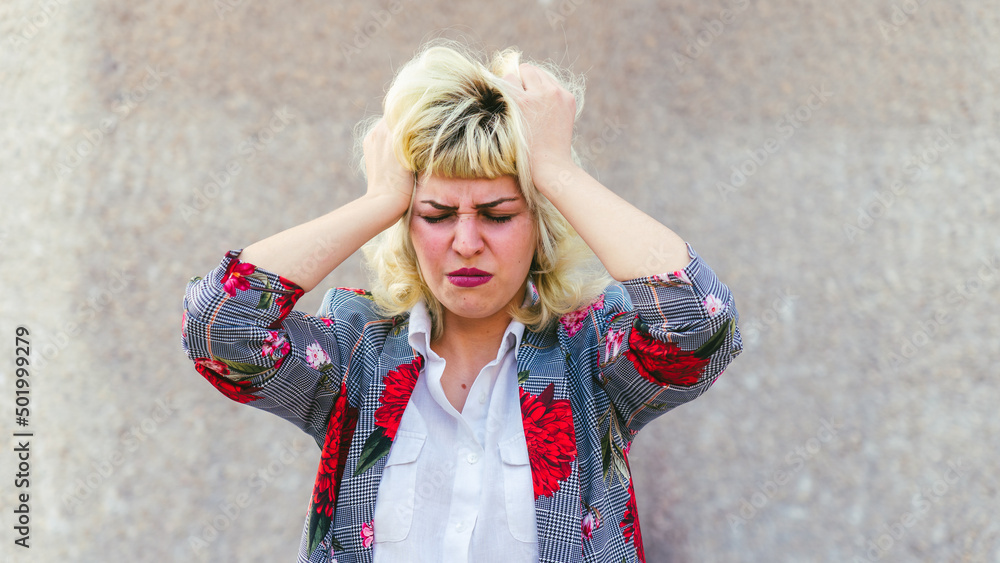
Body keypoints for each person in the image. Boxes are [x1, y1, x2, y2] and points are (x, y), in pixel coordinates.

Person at [181, 38, 743, 563]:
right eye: (437, 214)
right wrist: (380, 200)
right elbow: (216, 326)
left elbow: (701, 320)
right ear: (406, 223)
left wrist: (554, 168)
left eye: (498, 215)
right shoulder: (357, 351)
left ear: (540, 225)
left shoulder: (592, 356)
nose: (467, 243)